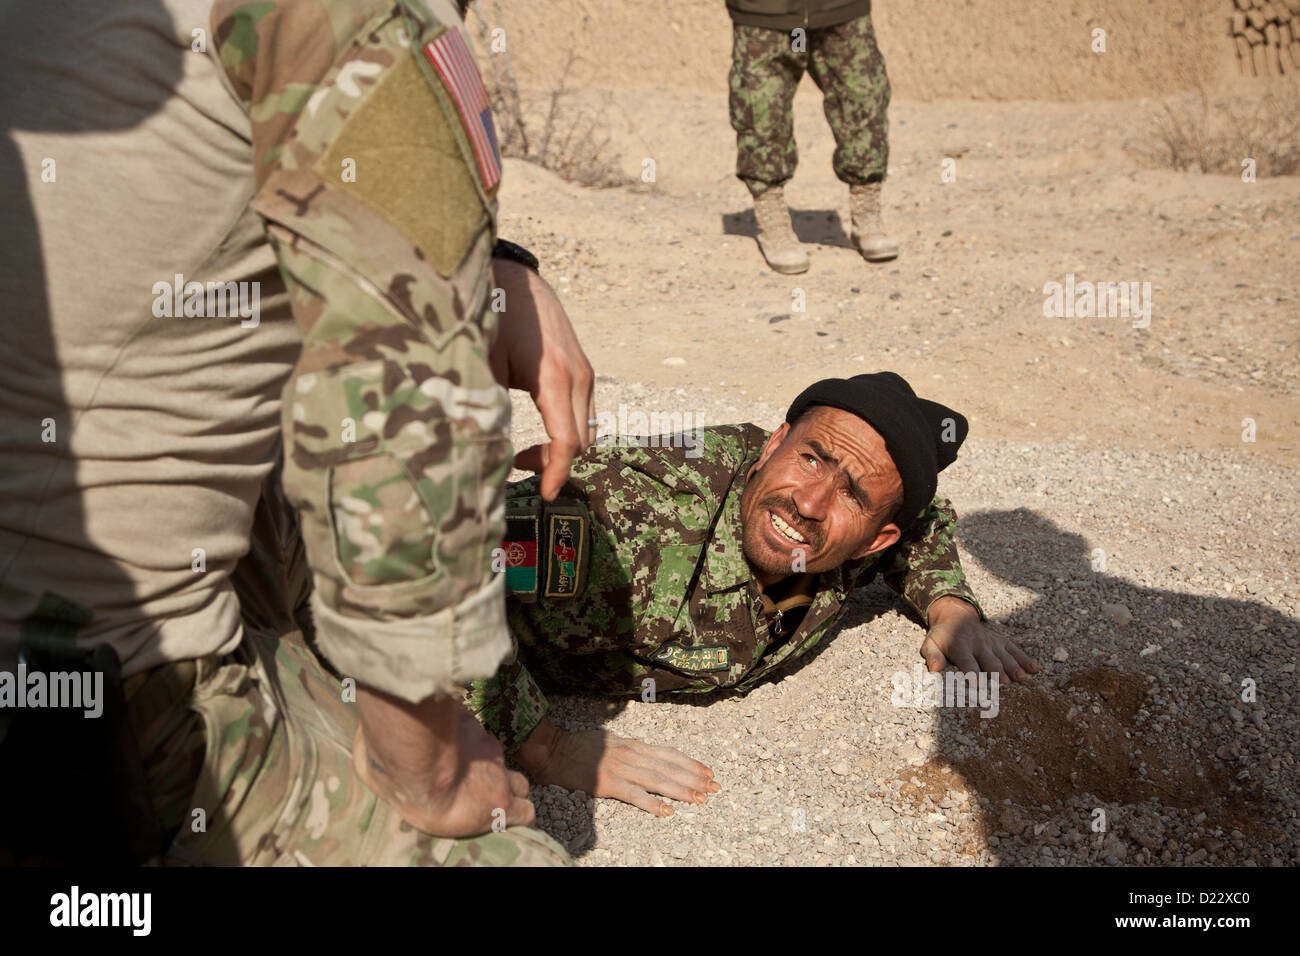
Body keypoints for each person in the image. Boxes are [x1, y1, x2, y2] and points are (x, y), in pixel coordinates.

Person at [0, 0, 591, 865]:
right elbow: (407, 430)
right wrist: (422, 772)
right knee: (507, 851)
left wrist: (495, 266)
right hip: (84, 698)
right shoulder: (363, 16)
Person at [468, 372, 1039, 817]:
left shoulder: (868, 534)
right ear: (772, 445)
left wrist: (950, 605)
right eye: (811, 458)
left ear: (876, 538)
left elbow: (924, 516)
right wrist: (543, 745)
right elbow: (426, 581)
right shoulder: (629, 523)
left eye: (853, 495)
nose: (810, 503)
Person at [726, 0, 898, 273]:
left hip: (839, 7)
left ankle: (867, 209)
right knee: (761, 109)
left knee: (863, 96)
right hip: (767, 12)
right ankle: (772, 219)